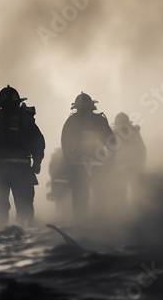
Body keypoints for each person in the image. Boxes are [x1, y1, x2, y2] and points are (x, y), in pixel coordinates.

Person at [0, 85, 45, 227]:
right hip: (23, 170)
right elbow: (38, 143)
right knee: (25, 206)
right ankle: (27, 234)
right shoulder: (27, 120)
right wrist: (37, 164)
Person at [60, 92, 114, 221]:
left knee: (80, 196)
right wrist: (110, 161)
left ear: (76, 107)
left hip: (78, 165)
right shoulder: (100, 120)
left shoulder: (71, 121)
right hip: (98, 164)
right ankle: (101, 223)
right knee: (100, 195)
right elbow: (112, 142)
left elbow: (65, 144)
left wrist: (68, 163)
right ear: (92, 106)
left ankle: (81, 223)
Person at [103, 112, 147, 214]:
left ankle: (123, 215)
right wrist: (141, 165)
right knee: (137, 192)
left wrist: (110, 167)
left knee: (120, 194)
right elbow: (142, 150)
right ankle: (139, 214)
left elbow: (110, 152)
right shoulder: (135, 132)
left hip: (119, 168)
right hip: (135, 167)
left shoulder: (114, 133)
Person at [46, 147, 71, 221]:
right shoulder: (70, 156)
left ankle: (60, 217)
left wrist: (53, 179)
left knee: (59, 200)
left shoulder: (55, 157)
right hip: (67, 182)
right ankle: (65, 218)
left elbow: (51, 170)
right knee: (67, 200)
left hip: (57, 182)